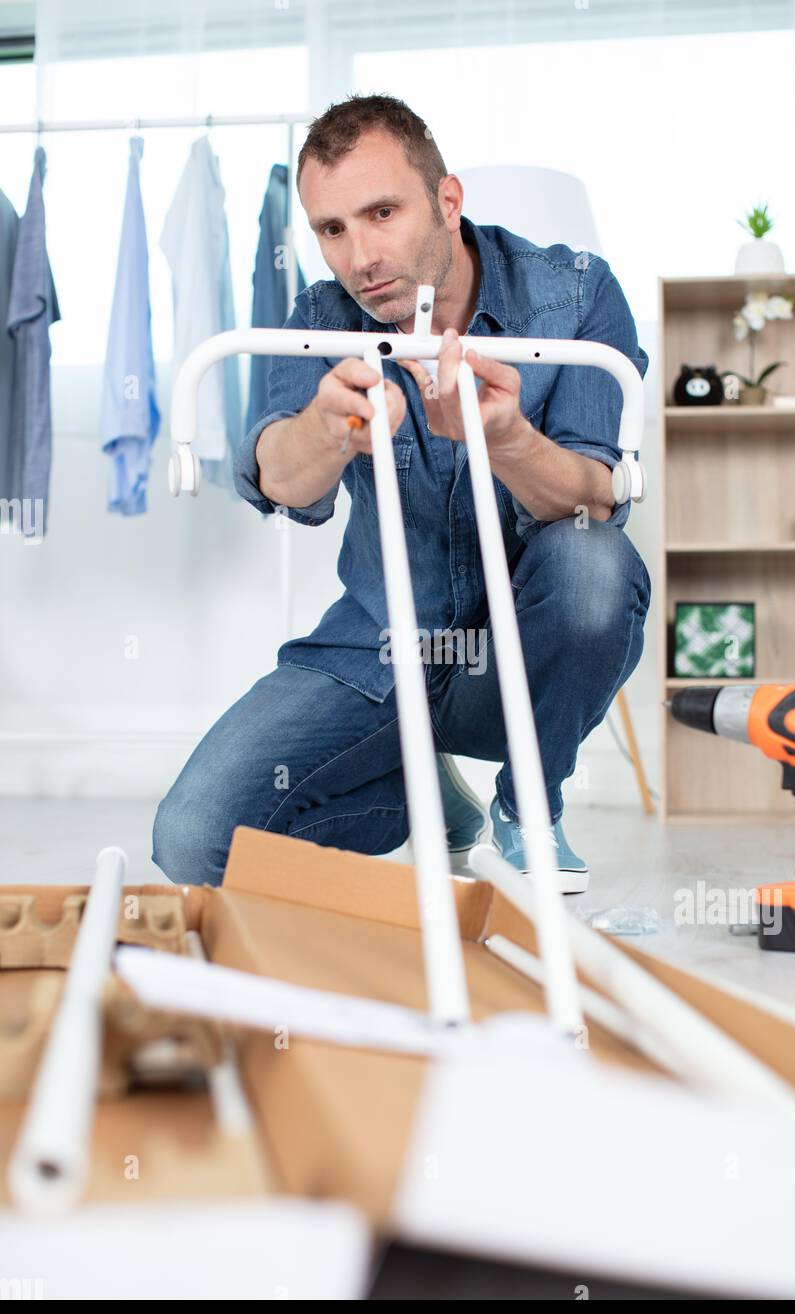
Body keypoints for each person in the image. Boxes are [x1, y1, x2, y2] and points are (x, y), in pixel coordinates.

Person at [152, 93, 651, 893]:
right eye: (332, 229)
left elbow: (596, 496)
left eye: (382, 213)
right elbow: (278, 477)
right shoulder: (320, 315)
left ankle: (528, 805)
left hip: (514, 662)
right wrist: (324, 429)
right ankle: (425, 800)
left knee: (595, 565)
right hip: (378, 646)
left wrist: (507, 439)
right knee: (194, 841)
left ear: (447, 200)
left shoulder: (575, 295)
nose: (360, 257)